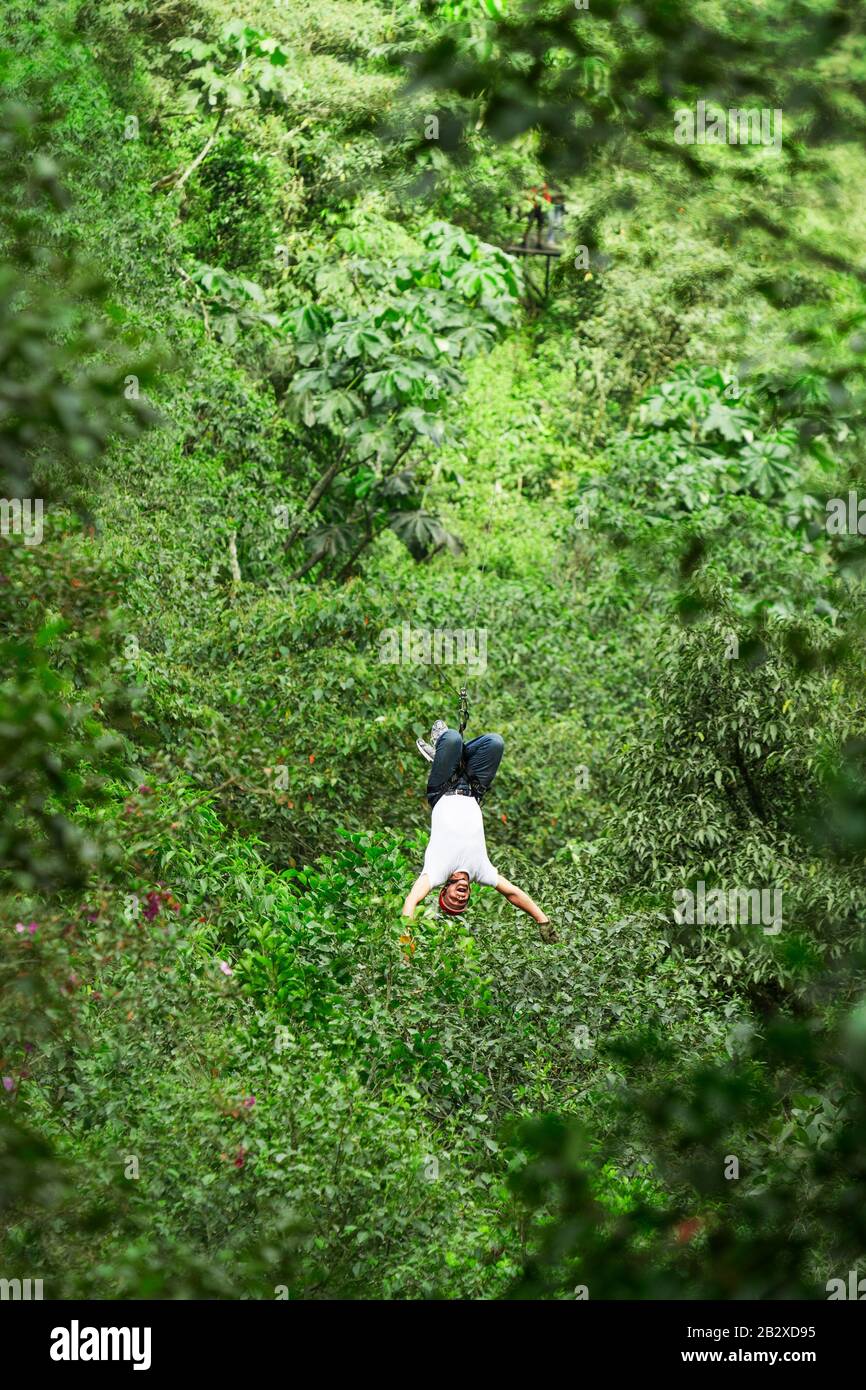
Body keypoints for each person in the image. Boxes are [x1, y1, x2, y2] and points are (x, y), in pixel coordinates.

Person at [401, 720, 556, 941]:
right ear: (469, 893)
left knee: (453, 737)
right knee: (495, 743)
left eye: (454, 899)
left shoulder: (436, 872)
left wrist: (406, 943)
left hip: (443, 787)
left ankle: (445, 756)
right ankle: (446, 758)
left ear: (445, 890)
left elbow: (411, 901)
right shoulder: (481, 871)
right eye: (462, 902)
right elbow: (512, 893)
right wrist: (543, 921)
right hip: (474, 789)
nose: (460, 898)